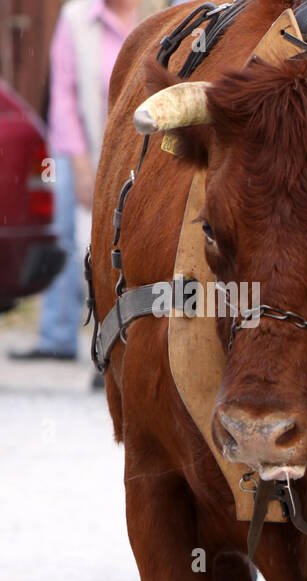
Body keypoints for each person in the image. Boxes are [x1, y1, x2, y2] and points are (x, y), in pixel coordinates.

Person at [9, 0, 160, 363]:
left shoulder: (157, 12)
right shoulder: (75, 17)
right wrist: (78, 163)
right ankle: (56, 336)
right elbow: (62, 93)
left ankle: (120, 342)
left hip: (142, 147)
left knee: (127, 242)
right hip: (78, 143)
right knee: (61, 228)